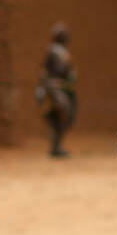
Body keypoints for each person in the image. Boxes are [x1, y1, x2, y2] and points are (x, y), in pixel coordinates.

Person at [35, 23, 76, 156]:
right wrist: (41, 89)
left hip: (63, 88)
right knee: (64, 112)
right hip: (54, 88)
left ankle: (56, 146)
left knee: (66, 116)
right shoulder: (53, 51)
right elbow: (45, 72)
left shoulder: (63, 52)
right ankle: (55, 143)